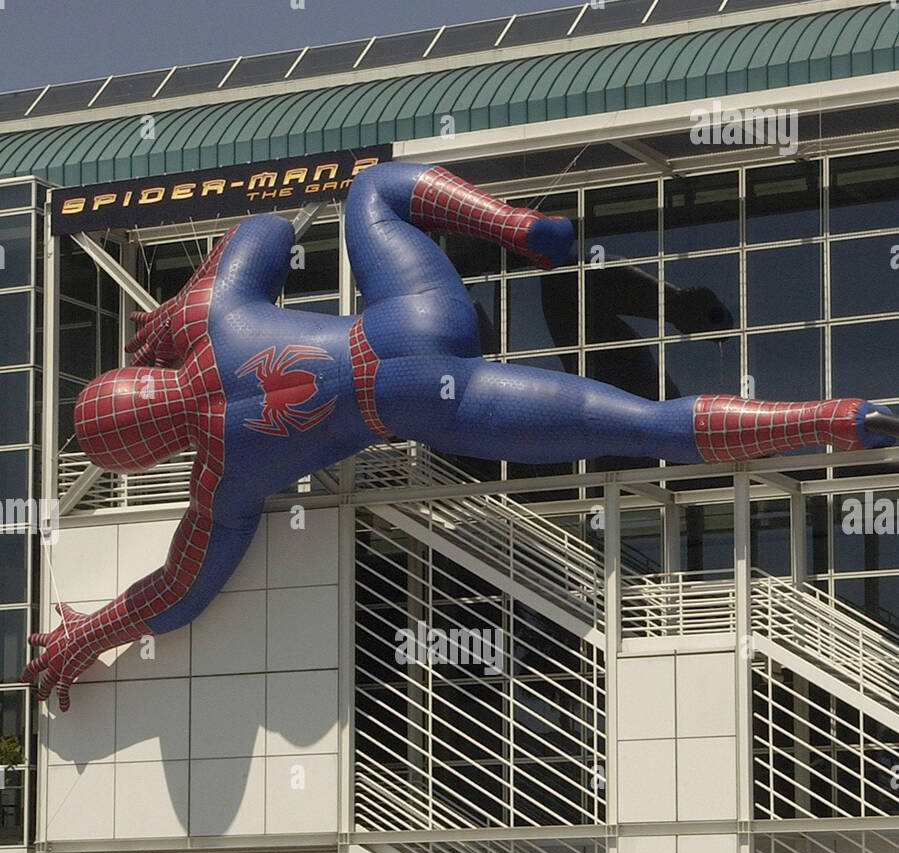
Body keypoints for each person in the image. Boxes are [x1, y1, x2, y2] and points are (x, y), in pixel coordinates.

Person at [22, 162, 899, 712]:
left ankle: (832, 421)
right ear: (141, 376)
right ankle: (522, 230)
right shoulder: (213, 319)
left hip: (423, 406)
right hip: (408, 317)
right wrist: (186, 302)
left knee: (643, 429)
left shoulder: (223, 477)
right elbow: (268, 227)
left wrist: (87, 634)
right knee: (376, 189)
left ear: (153, 451)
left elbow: (179, 590)